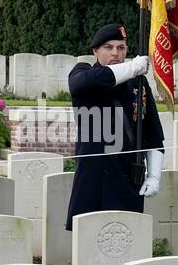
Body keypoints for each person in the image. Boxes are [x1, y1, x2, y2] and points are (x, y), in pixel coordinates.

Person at [64, 23, 163, 230]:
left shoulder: (138, 84)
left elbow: (153, 133)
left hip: (128, 173)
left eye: (121, 48)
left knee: (127, 237)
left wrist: (154, 175)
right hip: (94, 174)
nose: (115, 53)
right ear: (95, 51)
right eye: (108, 48)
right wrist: (133, 67)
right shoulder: (83, 73)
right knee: (91, 238)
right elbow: (85, 83)